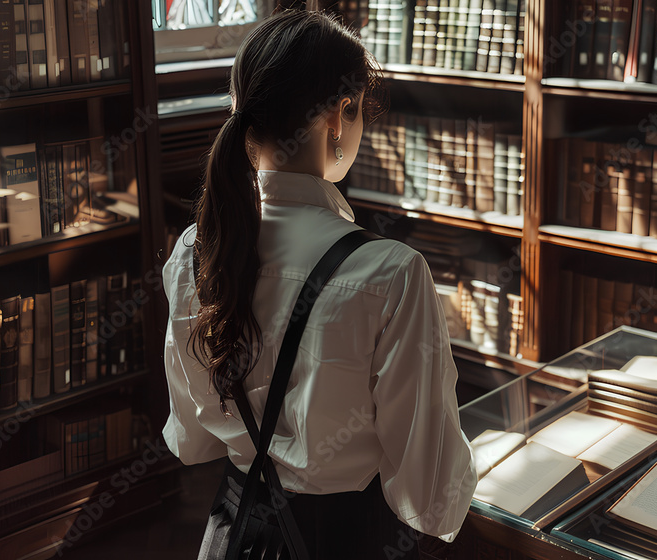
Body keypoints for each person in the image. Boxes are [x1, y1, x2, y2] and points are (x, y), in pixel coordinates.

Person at [160, 9, 477, 559]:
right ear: (338, 116)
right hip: (340, 538)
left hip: (231, 536)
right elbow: (431, 500)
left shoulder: (194, 250)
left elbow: (193, 440)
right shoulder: (391, 274)